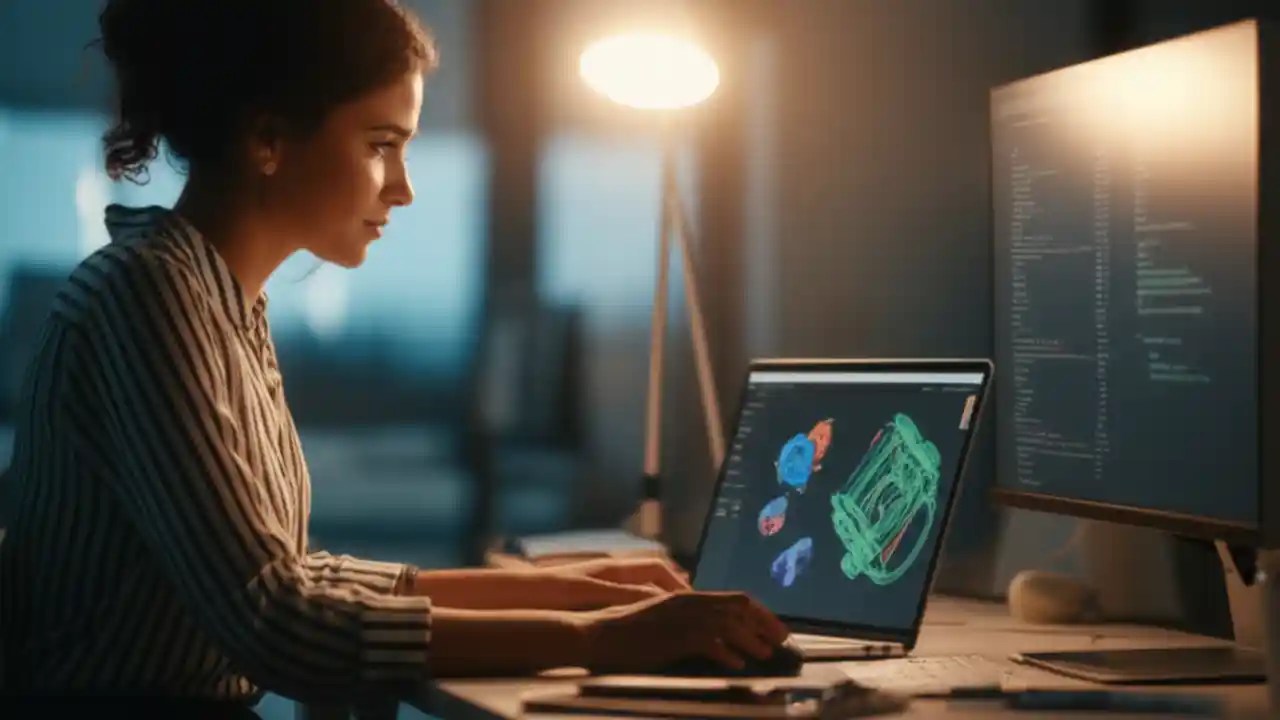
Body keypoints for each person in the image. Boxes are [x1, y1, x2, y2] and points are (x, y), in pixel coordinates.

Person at [0, 0, 788, 708]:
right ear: (268, 138)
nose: (402, 187)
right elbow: (275, 619)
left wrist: (582, 590)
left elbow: (296, 574)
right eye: (382, 144)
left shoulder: (217, 301)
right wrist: (602, 637)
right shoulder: (148, 298)